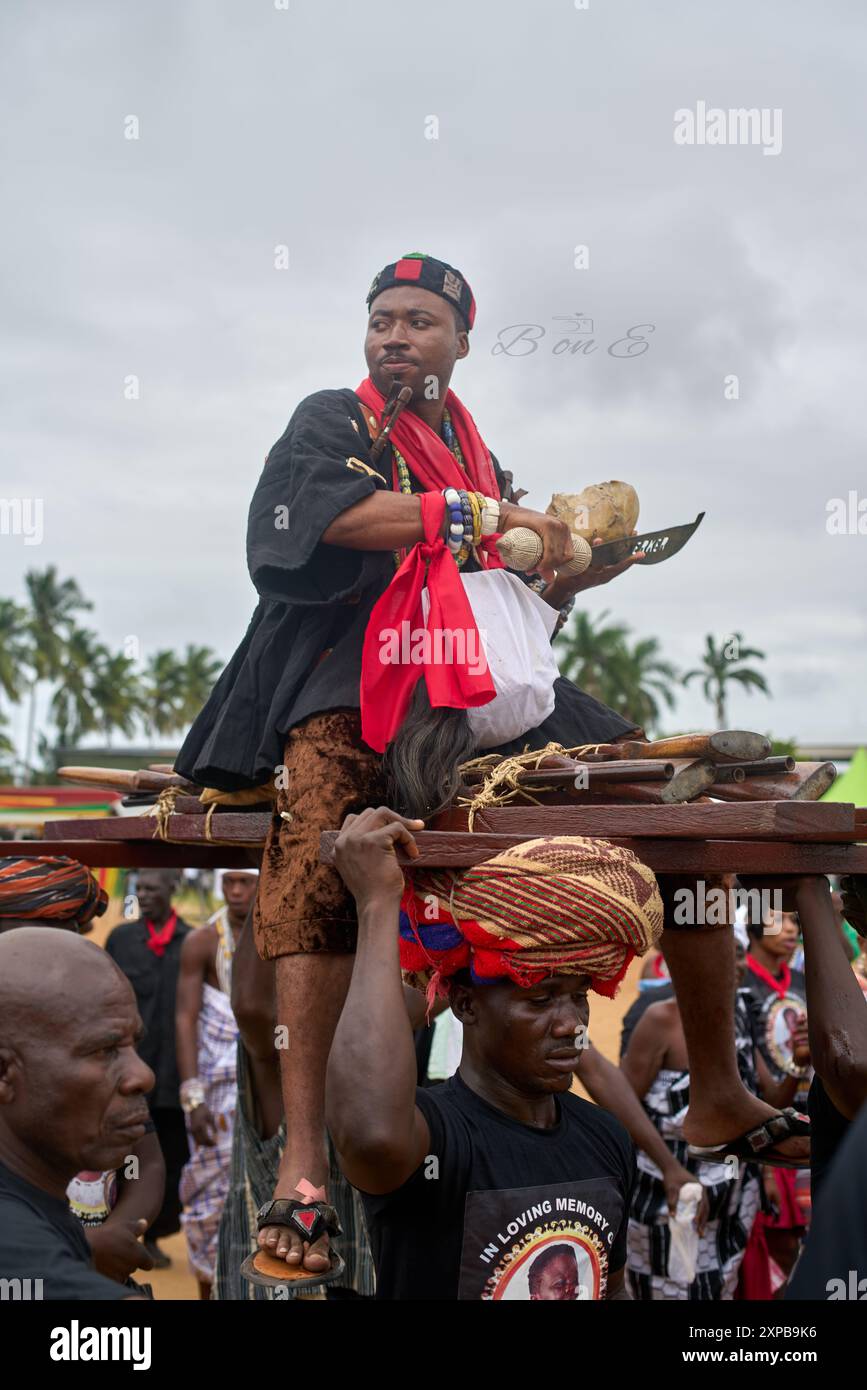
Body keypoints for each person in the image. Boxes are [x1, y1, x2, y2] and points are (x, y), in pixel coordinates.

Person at [323, 806, 665, 1300]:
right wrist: (377, 903)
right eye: (541, 999)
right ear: (465, 1005)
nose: (572, 1024)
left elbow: (612, 1289)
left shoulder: (606, 1137)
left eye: (578, 996)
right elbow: (369, 1135)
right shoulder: (437, 1140)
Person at [0, 911, 155, 1300]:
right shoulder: (18, 1256)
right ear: (4, 1072)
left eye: (133, 1044)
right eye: (104, 1051)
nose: (144, 1076)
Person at [620, 937, 762, 1300]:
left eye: (738, 954)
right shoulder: (659, 1020)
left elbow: (763, 1098)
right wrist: (670, 1169)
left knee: (718, 1288)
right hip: (667, 1199)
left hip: (730, 1199)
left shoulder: (742, 1011)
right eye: (719, 954)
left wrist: (797, 1061)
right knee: (665, 1286)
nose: (732, 964)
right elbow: (622, 1107)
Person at [175, 867, 258, 1298]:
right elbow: (186, 1017)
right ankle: (207, 1286)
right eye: (230, 883)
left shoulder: (277, 937)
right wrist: (192, 1097)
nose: (237, 891)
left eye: (246, 881)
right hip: (215, 1090)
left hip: (266, 1089)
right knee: (210, 1200)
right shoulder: (203, 941)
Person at [105, 867, 191, 1266]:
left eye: (153, 888)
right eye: (140, 888)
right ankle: (120, 1234)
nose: (145, 895)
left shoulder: (191, 941)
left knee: (172, 1161)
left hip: (173, 1078)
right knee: (123, 1160)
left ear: (172, 888)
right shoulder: (121, 940)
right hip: (127, 1077)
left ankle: (155, 1234)